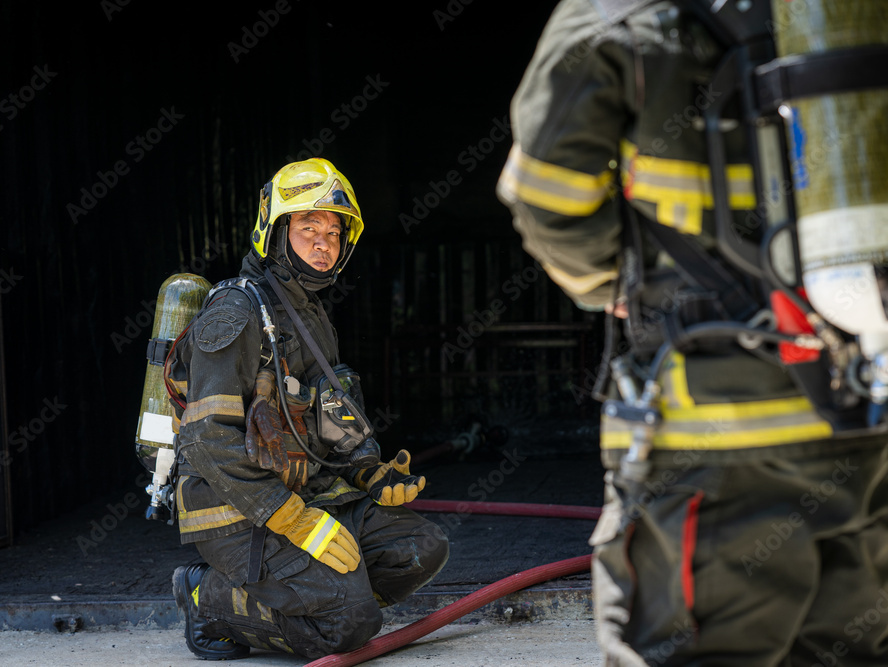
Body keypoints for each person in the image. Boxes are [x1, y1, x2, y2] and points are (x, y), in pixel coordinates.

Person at [498, 1, 888, 665]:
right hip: (861, 424)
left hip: (710, 450)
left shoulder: (612, 18)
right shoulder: (843, 14)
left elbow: (546, 201)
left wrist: (610, 290)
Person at [165, 158, 448, 660]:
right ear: (274, 233)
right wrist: (291, 520)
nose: (324, 243)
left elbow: (325, 409)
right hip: (238, 510)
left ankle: (321, 600)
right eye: (308, 228)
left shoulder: (308, 313)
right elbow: (205, 439)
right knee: (350, 624)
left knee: (420, 550)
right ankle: (205, 597)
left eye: (334, 233)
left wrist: (367, 473)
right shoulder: (235, 314)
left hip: (311, 494)